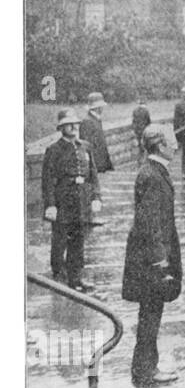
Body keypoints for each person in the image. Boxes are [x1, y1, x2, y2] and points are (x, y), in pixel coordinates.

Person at [121, 124, 181, 384]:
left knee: (151, 312)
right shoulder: (154, 176)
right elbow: (149, 222)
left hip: (149, 256)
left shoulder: (153, 171)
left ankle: (147, 366)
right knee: (150, 314)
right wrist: (160, 260)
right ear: (161, 146)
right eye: (172, 142)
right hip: (151, 259)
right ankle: (145, 370)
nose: (177, 145)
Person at [41, 108, 101, 292]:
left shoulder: (85, 146)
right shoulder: (54, 150)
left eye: (75, 124)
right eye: (68, 124)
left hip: (82, 201)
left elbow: (93, 174)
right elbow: (48, 180)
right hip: (63, 201)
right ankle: (58, 277)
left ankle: (76, 278)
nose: (73, 127)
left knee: (78, 240)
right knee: (60, 240)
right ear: (61, 128)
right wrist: (50, 205)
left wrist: (96, 197)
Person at [80, 92, 114, 176]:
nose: (102, 109)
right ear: (98, 108)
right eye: (101, 107)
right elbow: (87, 146)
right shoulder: (87, 121)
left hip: (101, 165)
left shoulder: (96, 120)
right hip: (95, 167)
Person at [131, 96, 152, 164]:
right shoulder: (146, 111)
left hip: (137, 132)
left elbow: (133, 122)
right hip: (144, 131)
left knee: (139, 146)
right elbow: (149, 122)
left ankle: (139, 161)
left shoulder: (135, 111)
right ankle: (145, 161)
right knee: (145, 146)